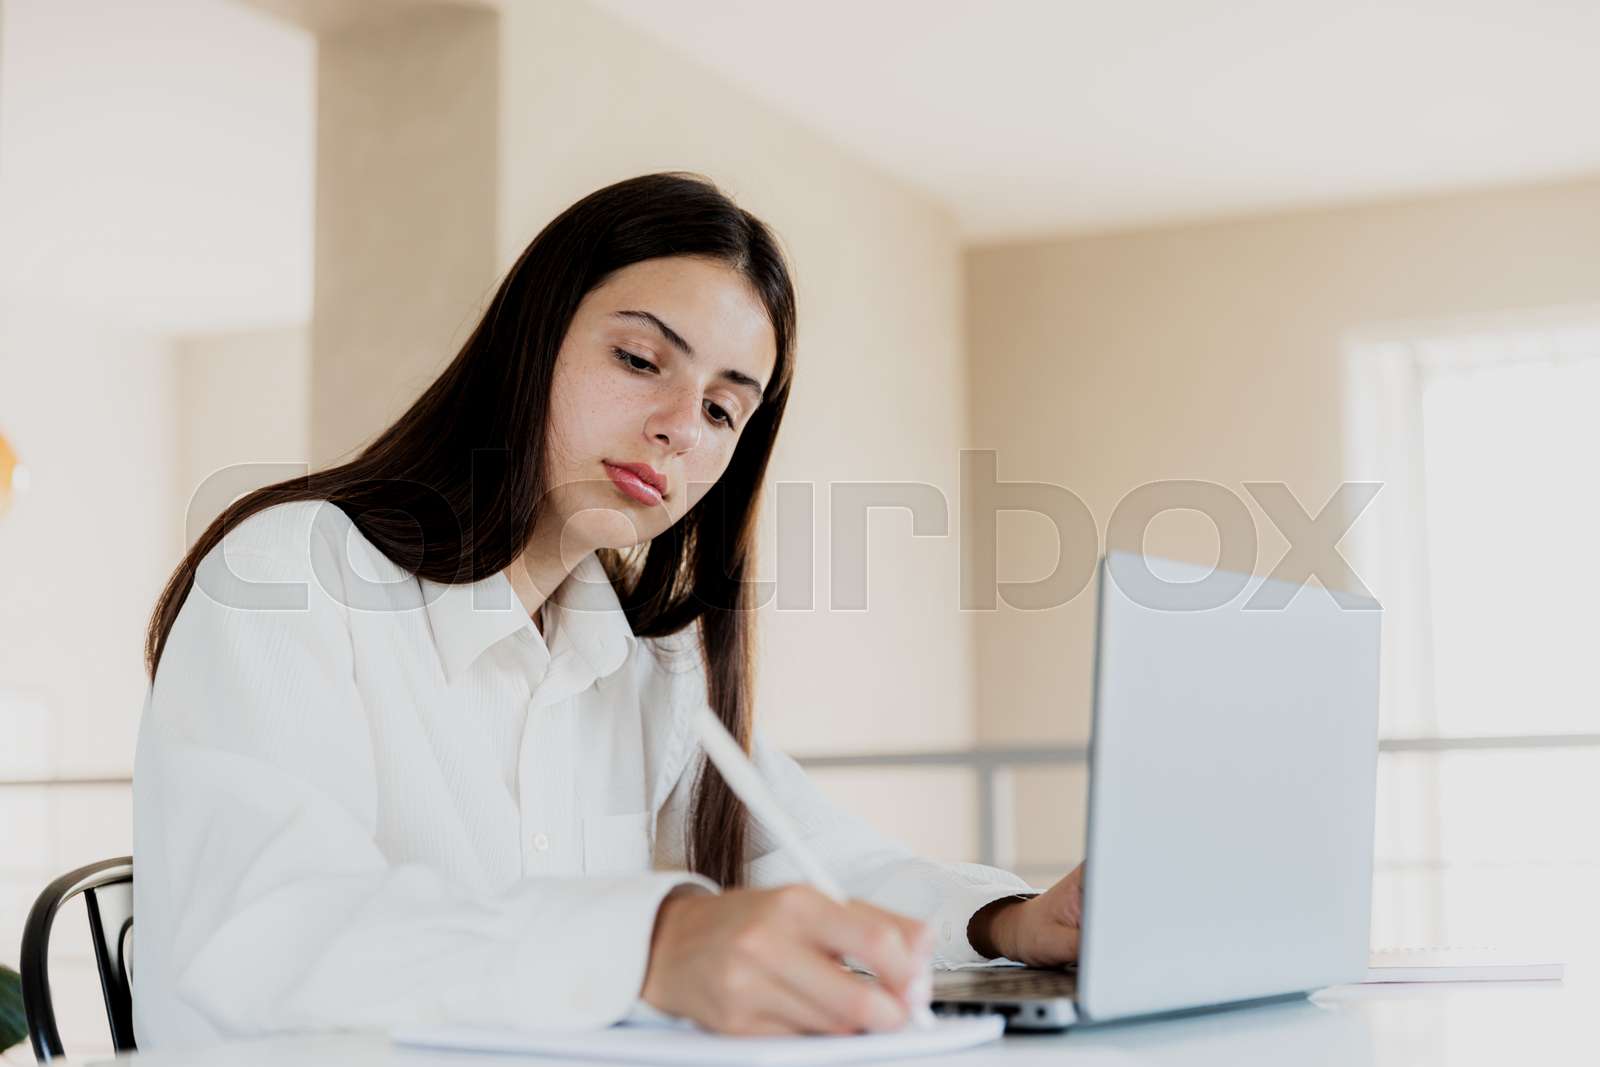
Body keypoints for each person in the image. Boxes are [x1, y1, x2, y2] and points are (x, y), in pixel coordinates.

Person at [132, 172, 1084, 1050]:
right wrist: (653, 944)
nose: (678, 422)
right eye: (640, 358)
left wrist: (1012, 920)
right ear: (532, 336)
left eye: (722, 411)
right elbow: (265, 925)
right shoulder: (292, 572)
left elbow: (813, 859)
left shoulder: (643, 669)